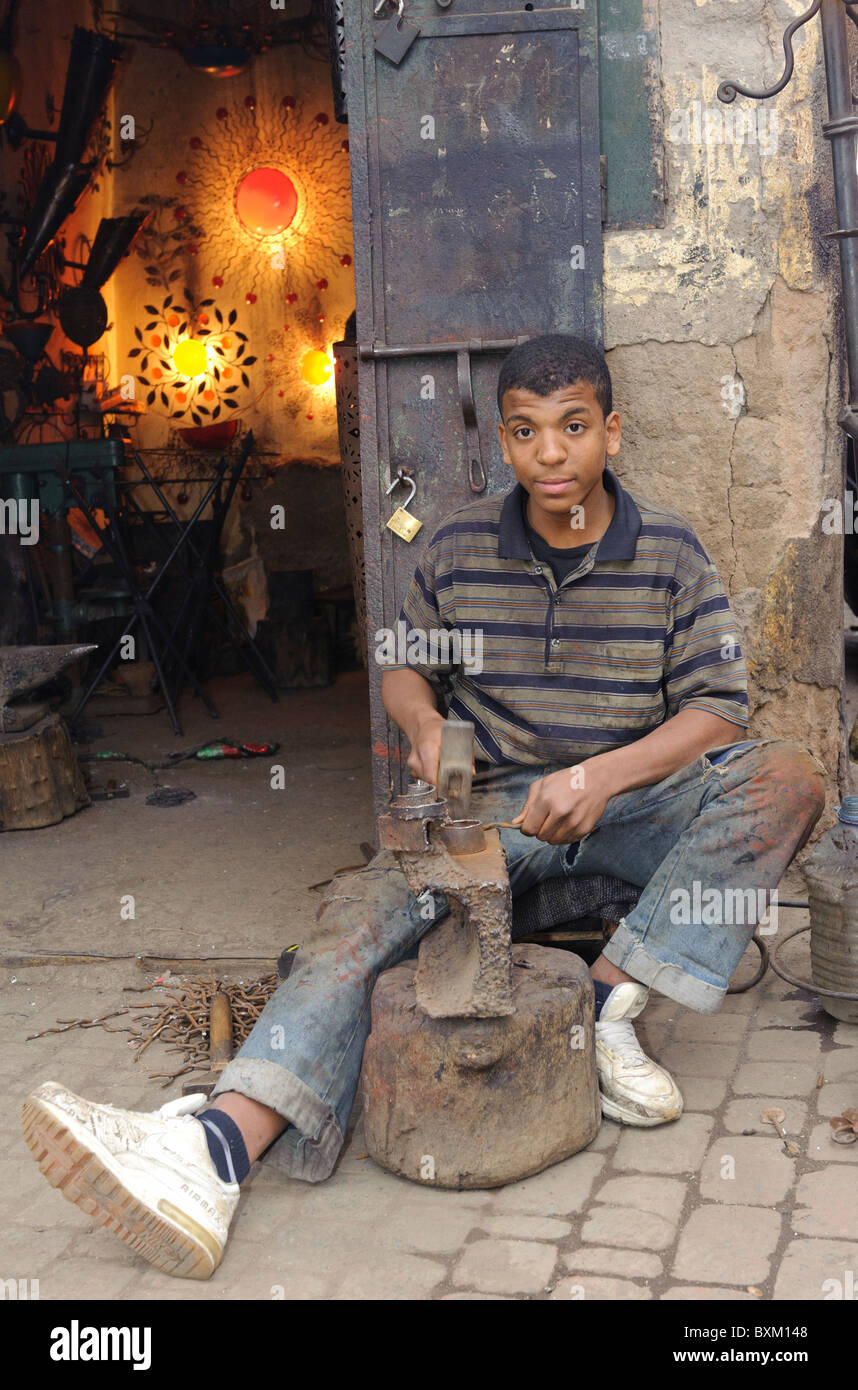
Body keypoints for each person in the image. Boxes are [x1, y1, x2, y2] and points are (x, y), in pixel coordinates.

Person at [21, 334, 826, 1280]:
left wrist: (605, 777)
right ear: (503, 446)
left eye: (574, 428)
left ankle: (604, 1009)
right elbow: (406, 664)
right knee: (360, 918)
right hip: (495, 817)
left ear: (611, 431)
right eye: (525, 433)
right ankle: (215, 1151)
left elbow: (719, 711)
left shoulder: (671, 552)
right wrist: (424, 724)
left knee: (789, 777)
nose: (552, 454)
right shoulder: (454, 544)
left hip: (635, 803)